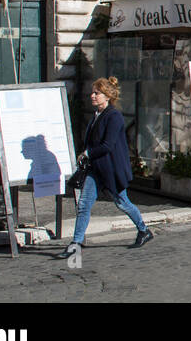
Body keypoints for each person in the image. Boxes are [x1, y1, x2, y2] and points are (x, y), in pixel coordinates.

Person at [61, 78, 152, 257]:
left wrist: (87, 153)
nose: (92, 96)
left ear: (108, 96)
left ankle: (144, 230)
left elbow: (107, 145)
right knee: (84, 205)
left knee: (122, 203)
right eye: (92, 92)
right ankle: (76, 243)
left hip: (111, 170)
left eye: (97, 93)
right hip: (96, 170)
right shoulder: (97, 115)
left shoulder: (114, 116)